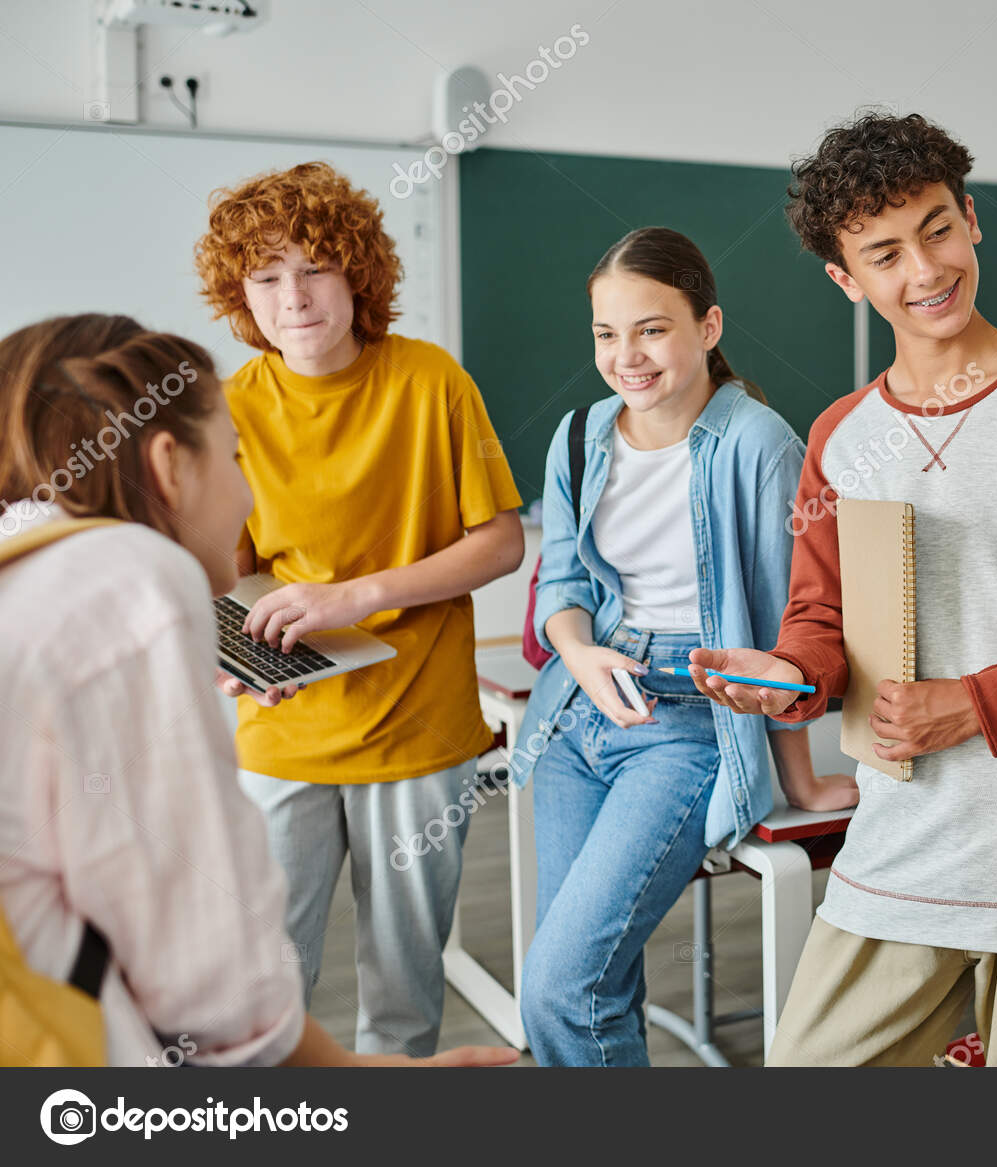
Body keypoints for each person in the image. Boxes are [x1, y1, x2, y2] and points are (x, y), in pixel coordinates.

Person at [689, 113, 997, 1066]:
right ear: (846, 280)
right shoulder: (838, 434)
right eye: (883, 254)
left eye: (936, 229)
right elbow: (822, 622)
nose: (924, 271)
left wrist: (968, 707)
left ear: (972, 219)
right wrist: (788, 677)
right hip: (901, 846)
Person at [0, 313, 516, 1068]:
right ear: (170, 465)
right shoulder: (137, 578)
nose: (249, 495)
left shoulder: (32, 558)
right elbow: (218, 1000)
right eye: (237, 457)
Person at [195, 162, 525, 1056]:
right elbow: (231, 572)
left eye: (313, 270)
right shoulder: (228, 409)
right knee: (267, 978)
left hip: (418, 727)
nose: (291, 297)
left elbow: (499, 543)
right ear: (240, 294)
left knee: (403, 987)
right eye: (264, 278)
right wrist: (233, 653)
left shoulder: (431, 381)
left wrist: (358, 594)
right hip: (285, 728)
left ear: (357, 275)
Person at [512, 227, 855, 1066]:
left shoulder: (759, 443)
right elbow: (558, 584)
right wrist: (582, 653)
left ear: (708, 327)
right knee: (592, 980)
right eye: (606, 333)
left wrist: (797, 772)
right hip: (582, 707)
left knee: (559, 988)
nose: (626, 356)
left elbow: (788, 626)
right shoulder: (578, 435)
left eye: (652, 328)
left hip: (690, 720)